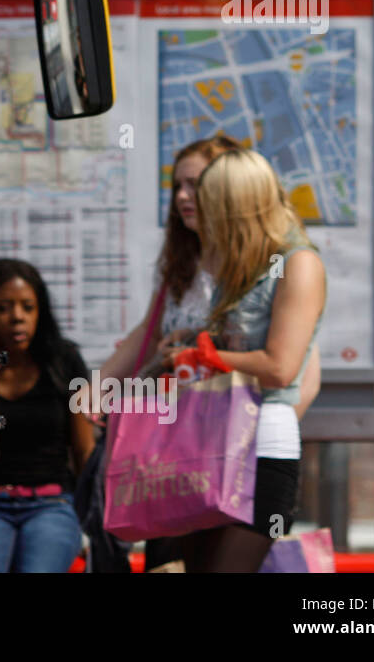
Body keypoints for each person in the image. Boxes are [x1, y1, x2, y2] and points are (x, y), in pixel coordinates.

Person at [102, 133, 320, 570]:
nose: (187, 199)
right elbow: (156, 338)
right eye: (179, 188)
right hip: (184, 446)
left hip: (254, 443)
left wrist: (199, 359)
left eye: (200, 188)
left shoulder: (289, 264)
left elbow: (287, 368)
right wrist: (102, 390)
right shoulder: (200, 265)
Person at [162, 148, 327, 572]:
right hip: (211, 440)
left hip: (263, 447)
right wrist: (194, 341)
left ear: (238, 206)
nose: (202, 214)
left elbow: (280, 367)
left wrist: (202, 354)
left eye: (212, 204)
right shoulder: (240, 264)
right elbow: (235, 345)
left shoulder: (299, 263)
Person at [0, 259, 93, 573]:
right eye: (3, 308)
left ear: (40, 311)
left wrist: (91, 516)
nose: (17, 318)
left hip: (52, 504)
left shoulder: (64, 360)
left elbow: (84, 449)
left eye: (27, 307)